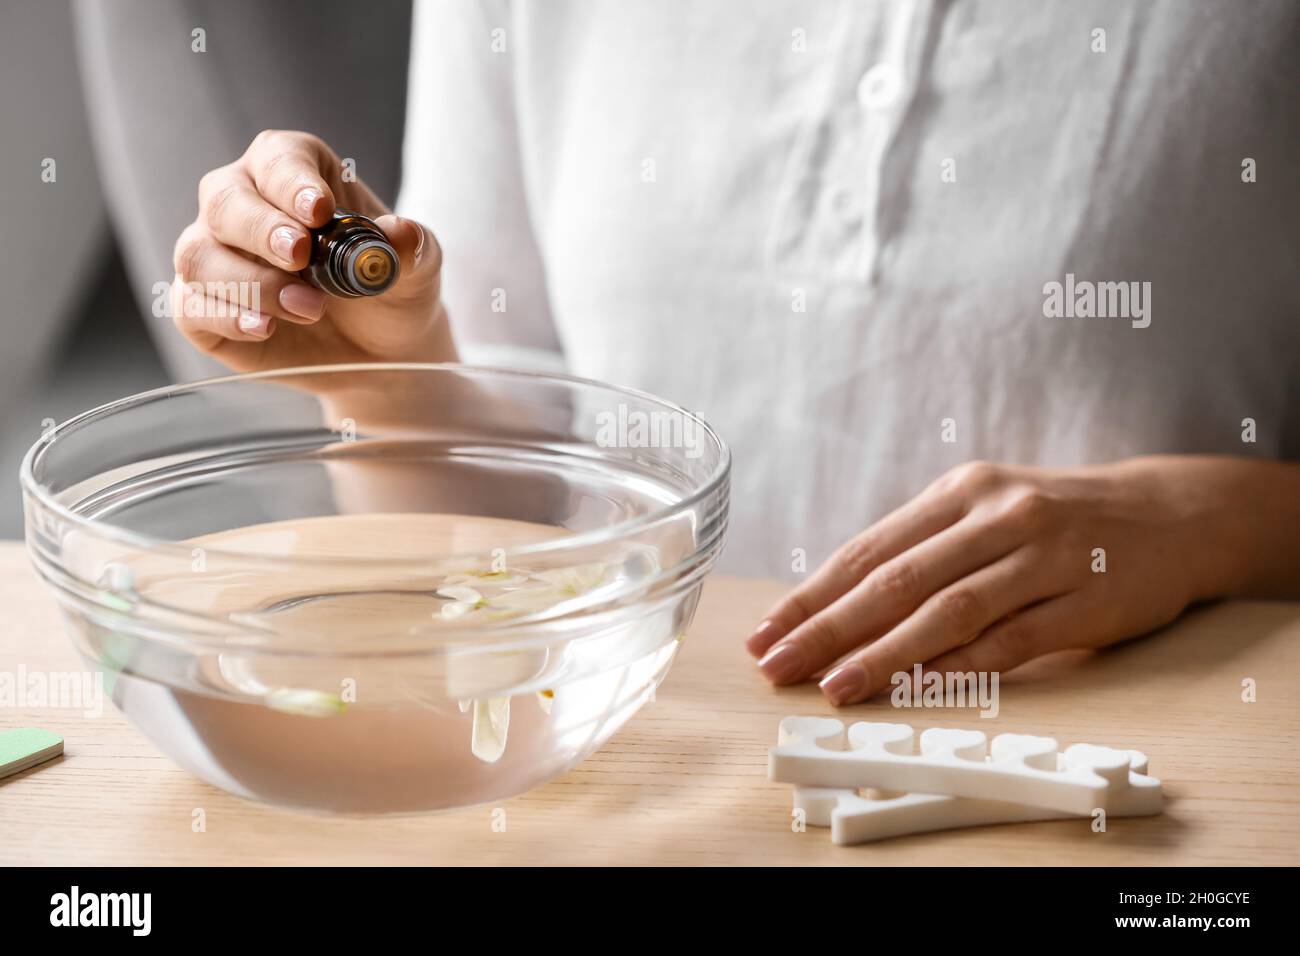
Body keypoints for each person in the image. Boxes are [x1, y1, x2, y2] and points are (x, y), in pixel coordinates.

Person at [166, 0, 1300, 706]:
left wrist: (1209, 522)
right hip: (670, 772)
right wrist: (387, 383)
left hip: (1141, 793)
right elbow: (497, 527)